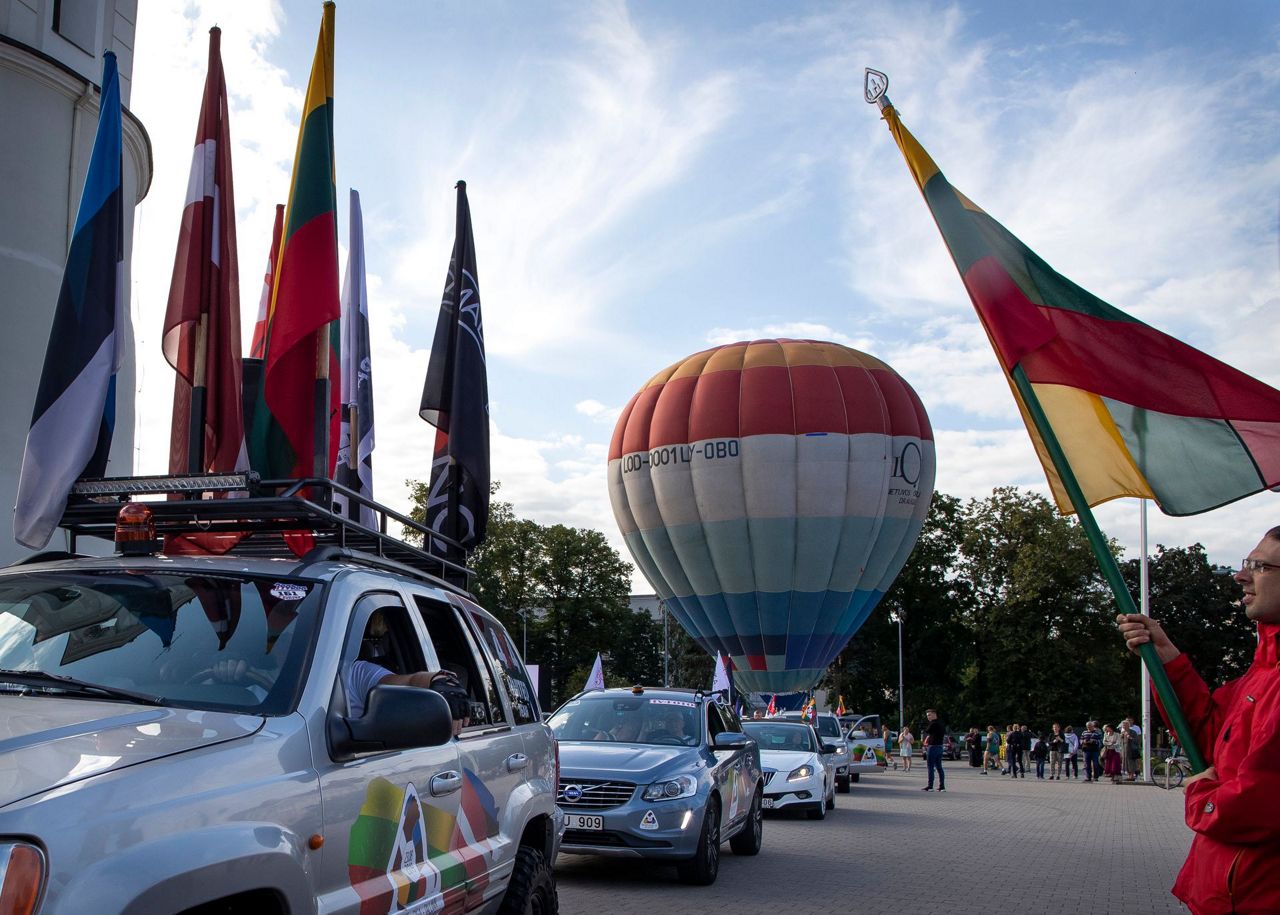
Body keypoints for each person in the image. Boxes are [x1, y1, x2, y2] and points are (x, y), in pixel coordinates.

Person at [1117, 530, 1280, 913]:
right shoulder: (1263, 670)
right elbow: (1209, 733)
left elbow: (1259, 800)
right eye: (1245, 564)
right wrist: (1167, 659)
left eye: (1259, 566)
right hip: (1229, 893)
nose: (1241, 576)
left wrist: (1200, 797)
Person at [921, 709, 946, 791]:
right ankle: (942, 786)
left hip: (933, 747)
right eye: (927, 715)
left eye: (929, 715)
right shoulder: (941, 723)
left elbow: (927, 731)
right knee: (939, 767)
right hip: (940, 747)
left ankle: (930, 786)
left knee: (930, 767)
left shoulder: (933, 724)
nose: (928, 717)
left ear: (934, 715)